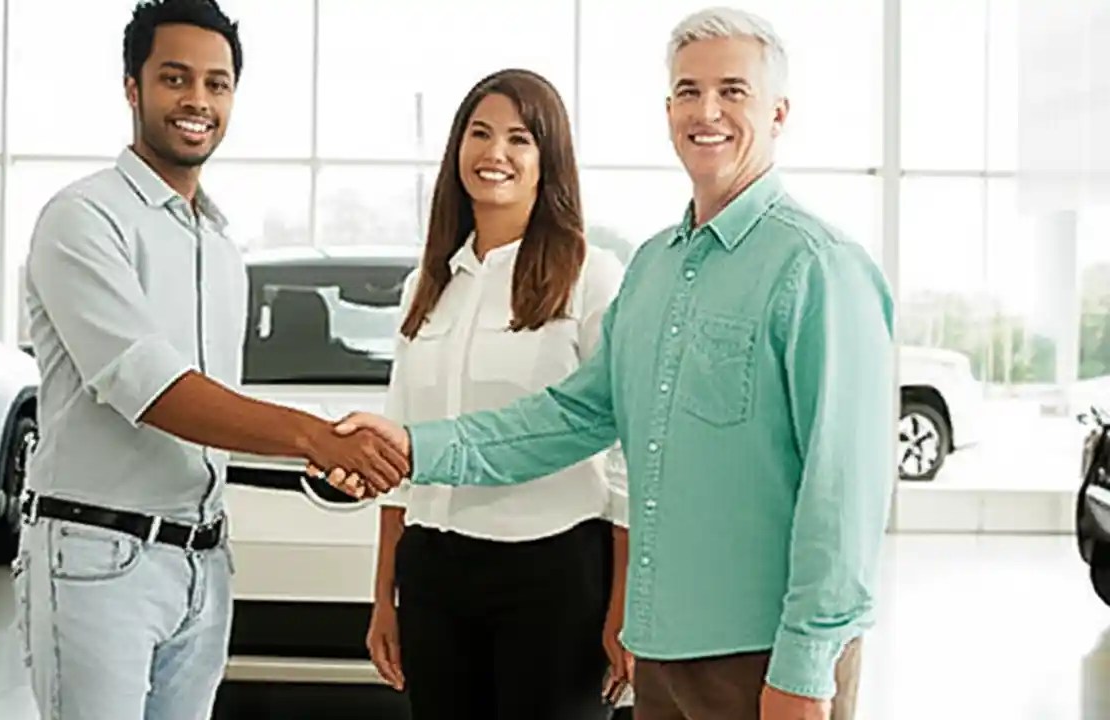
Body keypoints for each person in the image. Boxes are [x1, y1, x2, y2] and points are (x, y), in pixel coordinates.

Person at [318, 7, 893, 720]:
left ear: (778, 112)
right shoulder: (656, 267)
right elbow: (572, 414)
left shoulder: (820, 268)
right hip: (662, 651)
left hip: (763, 655)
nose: (705, 111)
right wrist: (415, 445)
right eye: (687, 91)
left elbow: (845, 494)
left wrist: (806, 669)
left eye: (731, 91)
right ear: (667, 110)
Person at [16, 1, 406, 718]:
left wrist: (327, 450)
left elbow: (218, 412)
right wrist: (315, 437)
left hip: (203, 559)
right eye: (175, 78)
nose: (198, 100)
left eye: (217, 84)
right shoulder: (82, 218)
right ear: (132, 87)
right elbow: (153, 388)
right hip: (100, 554)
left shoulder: (220, 245)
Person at [364, 69, 632, 720]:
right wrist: (383, 597)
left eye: (519, 139)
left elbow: (625, 451)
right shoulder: (425, 285)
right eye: (480, 134)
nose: (496, 154)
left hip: (554, 572)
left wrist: (625, 605)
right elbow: (401, 452)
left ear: (550, 160)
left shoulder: (591, 276)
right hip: (433, 570)